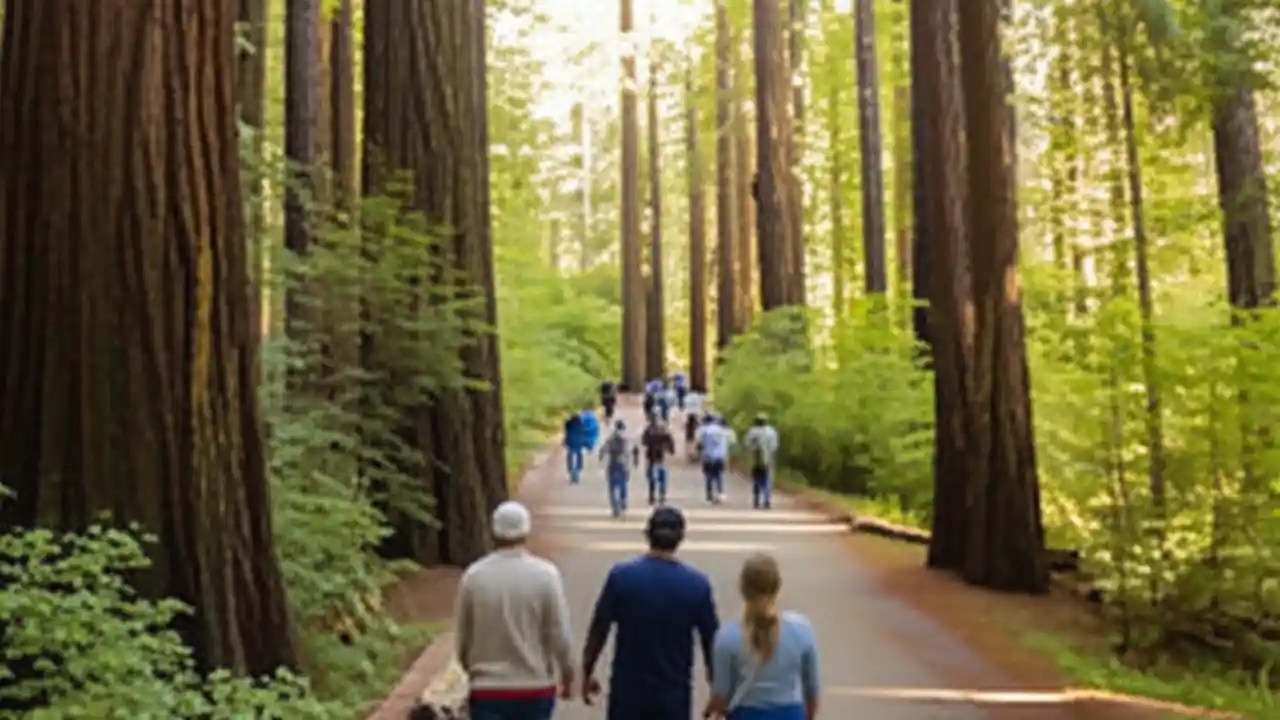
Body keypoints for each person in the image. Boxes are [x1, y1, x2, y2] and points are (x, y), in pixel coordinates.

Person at [581, 507, 720, 720]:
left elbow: (599, 628)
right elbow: (711, 643)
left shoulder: (621, 577)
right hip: (673, 696)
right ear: (681, 538)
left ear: (647, 535)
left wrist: (587, 670)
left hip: (627, 695)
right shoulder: (697, 585)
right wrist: (717, 691)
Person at [454, 502, 575, 720]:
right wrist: (568, 677)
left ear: (493, 531)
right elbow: (559, 634)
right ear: (526, 530)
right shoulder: (546, 575)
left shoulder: (474, 577)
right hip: (535, 687)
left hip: (487, 689)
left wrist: (472, 670)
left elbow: (463, 639)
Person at [703, 554, 820, 720]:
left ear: (742, 589)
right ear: (778, 587)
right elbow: (812, 688)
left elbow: (721, 694)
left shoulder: (727, 636)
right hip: (790, 713)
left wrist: (711, 711)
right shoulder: (802, 629)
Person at [598, 419, 640, 517]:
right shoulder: (628, 439)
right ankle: (623, 501)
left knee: (612, 487)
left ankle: (615, 507)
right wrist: (635, 462)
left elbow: (603, 450)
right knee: (623, 484)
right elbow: (634, 451)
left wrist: (601, 459)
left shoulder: (611, 439)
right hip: (624, 465)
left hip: (613, 464)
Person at [696, 414, 737, 504]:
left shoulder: (704, 430)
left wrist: (700, 453)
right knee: (719, 475)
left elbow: (700, 443)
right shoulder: (724, 431)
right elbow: (732, 442)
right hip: (720, 456)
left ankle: (709, 494)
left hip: (708, 456)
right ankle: (719, 493)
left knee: (709, 476)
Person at [742, 413, 779, 510]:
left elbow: (747, 444)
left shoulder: (752, 431)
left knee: (756, 480)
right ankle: (767, 500)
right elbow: (774, 446)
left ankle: (757, 500)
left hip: (755, 460)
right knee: (767, 480)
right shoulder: (772, 431)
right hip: (768, 460)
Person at [641, 416, 676, 505]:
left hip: (651, 458)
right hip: (661, 458)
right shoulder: (663, 430)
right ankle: (662, 496)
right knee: (662, 478)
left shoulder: (648, 430)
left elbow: (643, 442)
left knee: (652, 479)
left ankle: (652, 496)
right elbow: (670, 441)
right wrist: (671, 450)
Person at [563, 411, 587, 485]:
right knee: (579, 456)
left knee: (570, 456)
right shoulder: (581, 424)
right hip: (579, 442)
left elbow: (565, 428)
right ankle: (577, 471)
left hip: (570, 442)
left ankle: (571, 471)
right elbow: (583, 433)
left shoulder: (569, 423)